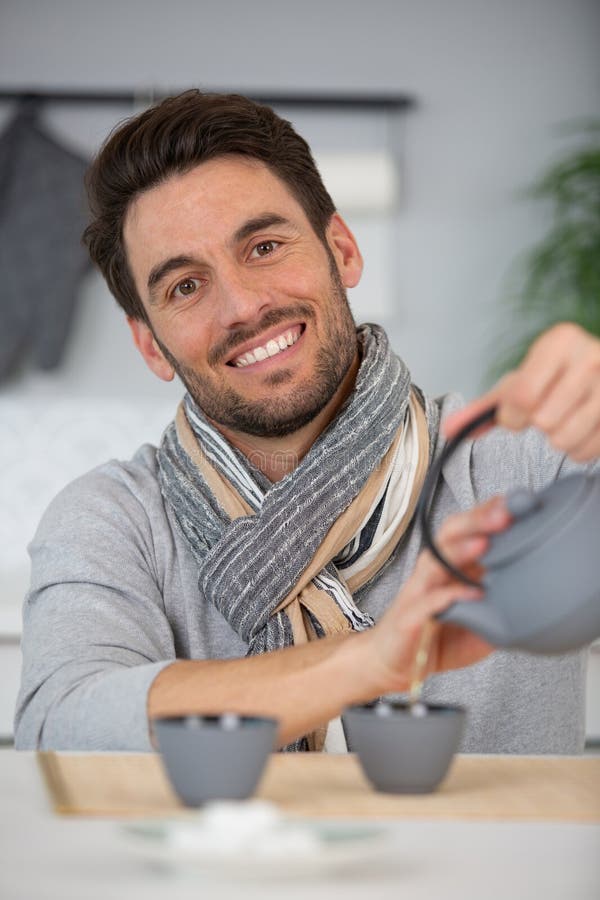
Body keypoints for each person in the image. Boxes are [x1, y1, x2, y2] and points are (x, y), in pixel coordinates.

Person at [15, 90, 600, 754]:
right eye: (185, 286)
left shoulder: (524, 462)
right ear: (151, 345)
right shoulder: (112, 520)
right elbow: (58, 728)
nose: (242, 306)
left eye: (263, 246)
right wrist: (372, 659)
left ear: (343, 250)